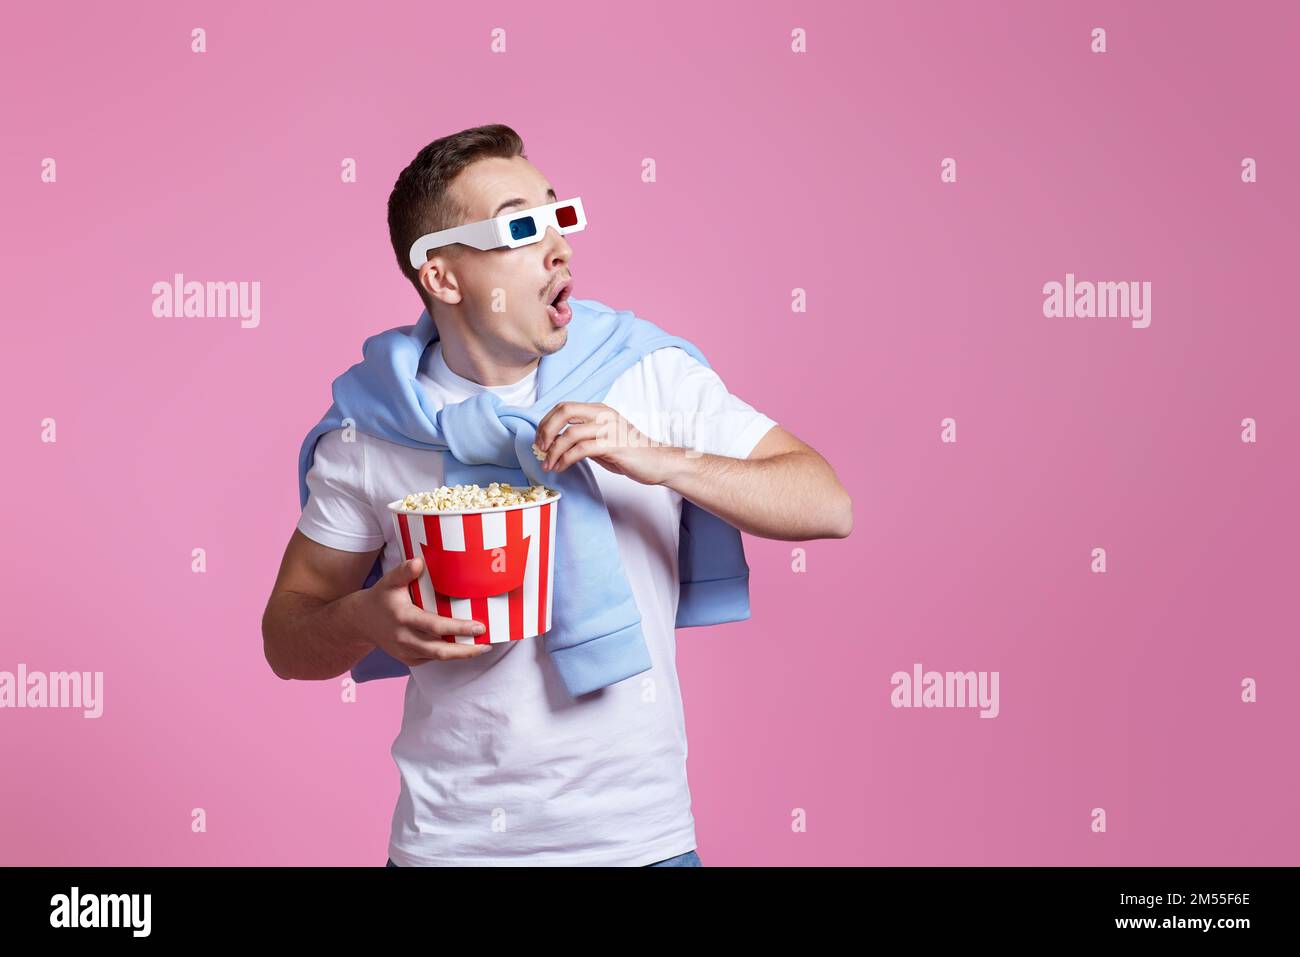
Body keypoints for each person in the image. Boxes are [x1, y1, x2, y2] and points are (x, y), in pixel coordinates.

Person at [262, 124, 853, 866]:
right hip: (448, 847)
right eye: (519, 227)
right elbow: (287, 638)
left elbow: (828, 504)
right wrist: (362, 617)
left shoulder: (644, 376)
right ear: (443, 278)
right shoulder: (374, 428)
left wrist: (656, 457)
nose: (559, 246)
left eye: (557, 215)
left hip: (643, 843)